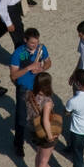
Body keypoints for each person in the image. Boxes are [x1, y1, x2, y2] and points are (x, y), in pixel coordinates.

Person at [9, 28, 51, 159]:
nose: (35, 45)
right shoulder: (18, 53)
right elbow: (13, 75)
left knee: (39, 113)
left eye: (36, 42)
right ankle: (18, 144)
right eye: (32, 43)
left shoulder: (41, 49)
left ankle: (37, 135)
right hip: (24, 89)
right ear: (25, 40)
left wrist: (42, 68)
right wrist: (28, 68)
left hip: (38, 87)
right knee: (21, 117)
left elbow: (49, 62)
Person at [27, 71, 58, 167]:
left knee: (39, 154)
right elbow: (45, 121)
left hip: (34, 129)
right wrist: (50, 137)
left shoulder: (30, 94)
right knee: (44, 160)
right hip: (44, 132)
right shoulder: (47, 101)